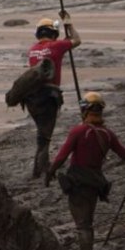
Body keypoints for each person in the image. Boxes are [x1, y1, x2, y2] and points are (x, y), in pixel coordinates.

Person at [44, 92, 125, 250]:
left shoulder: (79, 131)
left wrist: (50, 172)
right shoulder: (107, 134)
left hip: (77, 182)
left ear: (84, 110)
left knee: (82, 224)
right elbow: (124, 154)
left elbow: (62, 156)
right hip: (95, 182)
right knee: (87, 222)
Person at [24, 10, 81, 179]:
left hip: (31, 98)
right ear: (53, 32)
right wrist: (69, 23)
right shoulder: (56, 46)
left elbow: (62, 44)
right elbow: (76, 40)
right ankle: (41, 169)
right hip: (48, 97)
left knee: (42, 133)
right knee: (45, 136)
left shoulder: (32, 49)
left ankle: (40, 167)